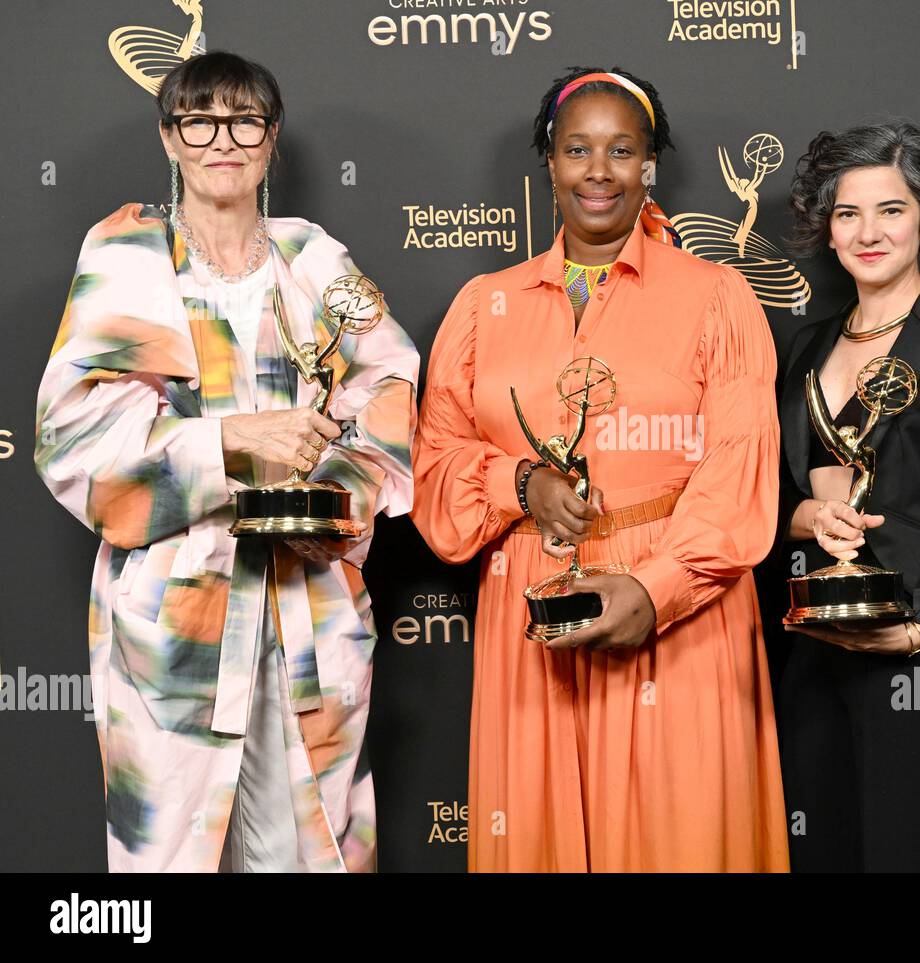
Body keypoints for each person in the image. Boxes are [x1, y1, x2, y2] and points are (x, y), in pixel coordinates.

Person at [34, 51, 420, 871]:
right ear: (170, 138)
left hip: (309, 607)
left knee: (307, 848)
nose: (223, 140)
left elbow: (391, 380)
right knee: (172, 853)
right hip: (179, 613)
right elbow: (71, 437)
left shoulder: (312, 258)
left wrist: (335, 503)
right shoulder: (131, 252)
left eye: (245, 120)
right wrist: (234, 438)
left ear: (271, 138)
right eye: (199, 121)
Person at [409, 67, 788, 871]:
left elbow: (738, 471)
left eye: (623, 150)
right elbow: (436, 474)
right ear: (547, 161)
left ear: (650, 165)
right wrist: (519, 482)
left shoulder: (717, 295)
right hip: (533, 619)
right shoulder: (484, 305)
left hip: (679, 620)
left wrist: (656, 591)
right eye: (577, 148)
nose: (598, 170)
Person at [764, 123, 920, 871]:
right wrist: (803, 516)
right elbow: (776, 491)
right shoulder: (804, 346)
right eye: (848, 213)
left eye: (892, 209)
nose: (869, 231)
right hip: (816, 648)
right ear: (826, 228)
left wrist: (918, 631)